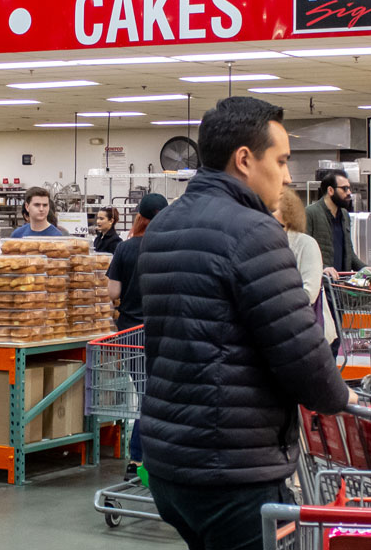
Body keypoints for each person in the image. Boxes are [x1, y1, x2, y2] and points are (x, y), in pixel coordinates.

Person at [138, 96, 356, 550]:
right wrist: (340, 395)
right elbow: (298, 348)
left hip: (170, 463)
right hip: (234, 472)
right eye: (281, 161)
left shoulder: (163, 226)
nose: (288, 176)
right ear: (244, 160)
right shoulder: (254, 232)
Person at [105, 192, 167, 480]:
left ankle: (138, 459)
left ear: (139, 217)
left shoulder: (125, 249)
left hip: (130, 332)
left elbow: (113, 292)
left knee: (144, 394)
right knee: (156, 395)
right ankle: (144, 457)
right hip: (162, 331)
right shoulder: (170, 248)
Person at [274, 188, 336, 348]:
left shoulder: (305, 244)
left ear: (288, 214)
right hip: (282, 335)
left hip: (308, 336)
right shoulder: (265, 244)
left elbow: (309, 293)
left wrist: (273, 306)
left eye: (273, 209)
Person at [305, 169, 364, 275]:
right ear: (330, 190)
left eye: (349, 188)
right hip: (322, 281)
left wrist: (366, 269)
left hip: (341, 281)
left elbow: (349, 253)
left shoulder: (344, 215)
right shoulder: (310, 213)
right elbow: (303, 252)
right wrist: (323, 268)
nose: (349, 192)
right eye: (344, 189)